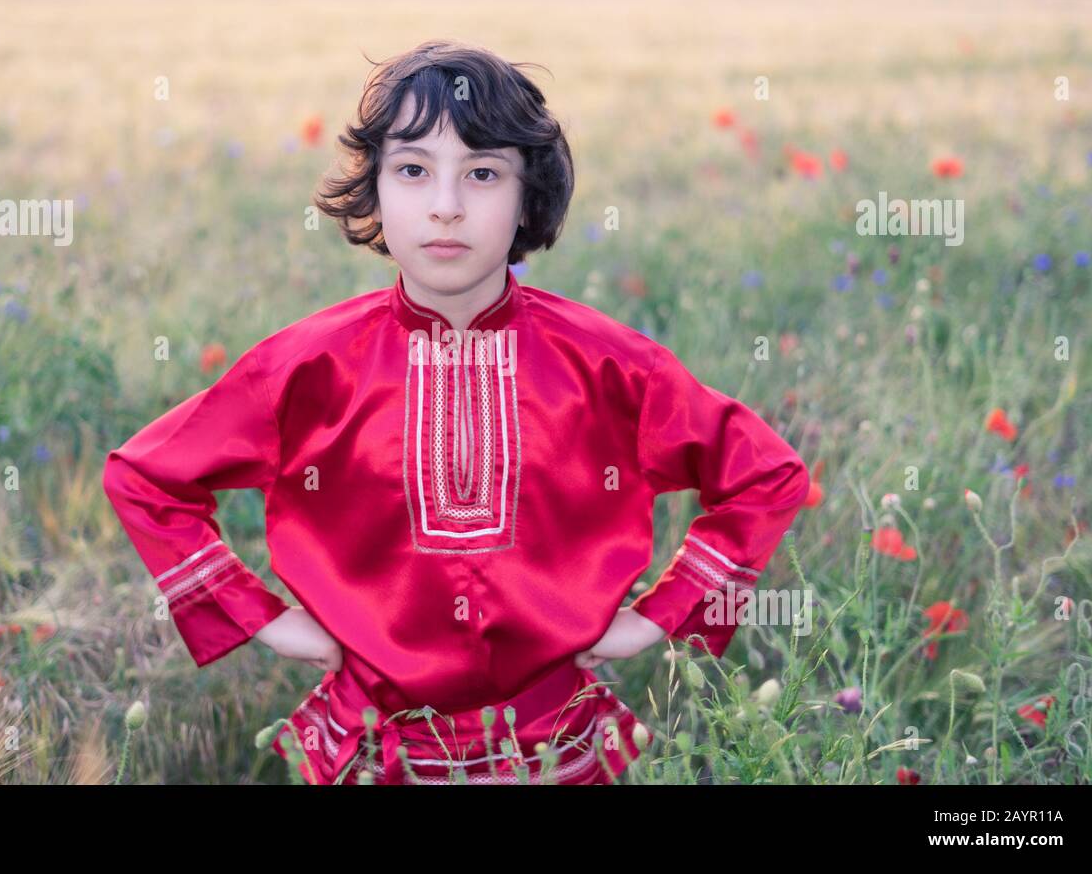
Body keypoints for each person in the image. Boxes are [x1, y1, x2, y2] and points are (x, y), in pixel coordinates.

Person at [102, 39, 812, 785]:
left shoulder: (607, 364)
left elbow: (765, 475)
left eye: (482, 173)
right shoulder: (309, 366)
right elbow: (145, 478)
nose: (445, 205)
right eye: (413, 170)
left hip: (556, 751)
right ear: (374, 189)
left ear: (528, 197)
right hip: (369, 748)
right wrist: (267, 621)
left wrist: (660, 615)